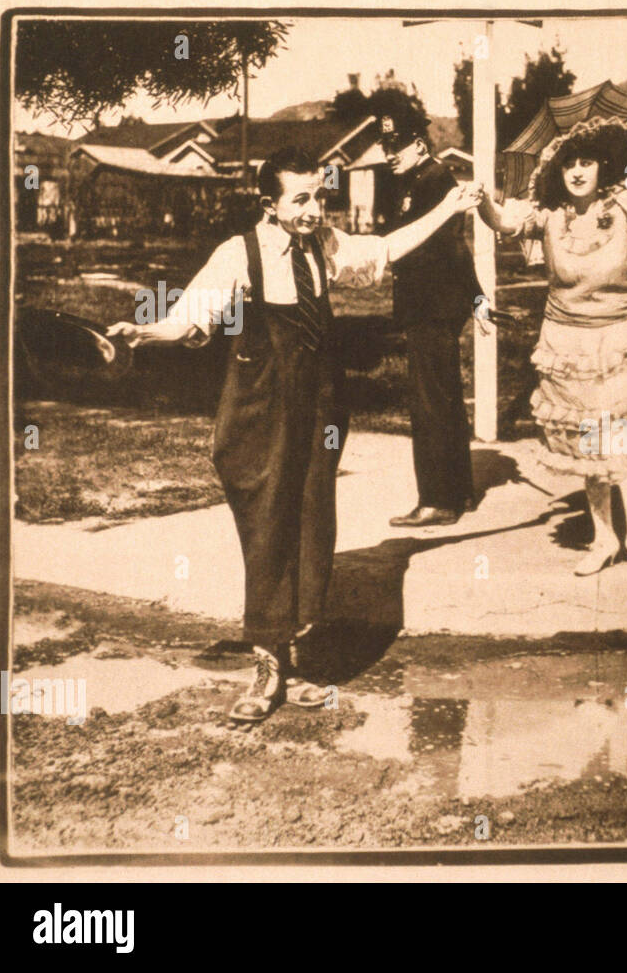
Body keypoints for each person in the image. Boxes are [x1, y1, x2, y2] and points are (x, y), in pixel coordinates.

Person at [108, 147, 481, 723]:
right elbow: (195, 316)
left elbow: (383, 250)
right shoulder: (240, 253)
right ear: (269, 203)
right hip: (259, 410)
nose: (314, 210)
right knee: (267, 527)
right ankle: (266, 664)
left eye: (320, 196)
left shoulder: (324, 245)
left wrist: (449, 209)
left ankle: (301, 659)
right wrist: (147, 333)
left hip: (320, 409)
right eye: (301, 199)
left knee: (312, 523)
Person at [477, 117, 627, 575]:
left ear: (601, 167)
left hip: (625, 335)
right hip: (568, 341)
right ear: (559, 173)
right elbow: (504, 225)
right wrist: (483, 204)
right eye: (569, 163)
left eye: (585, 162)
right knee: (590, 444)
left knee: (625, 437)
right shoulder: (549, 217)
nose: (576, 171)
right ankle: (604, 538)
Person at [377, 108, 486, 528]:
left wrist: (476, 297)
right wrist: (475, 299)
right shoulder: (421, 180)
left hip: (432, 307)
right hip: (435, 305)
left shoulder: (433, 180)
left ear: (419, 145)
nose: (389, 153)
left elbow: (452, 246)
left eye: (396, 145)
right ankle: (459, 491)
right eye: (386, 145)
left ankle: (438, 500)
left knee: (429, 403)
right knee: (443, 398)